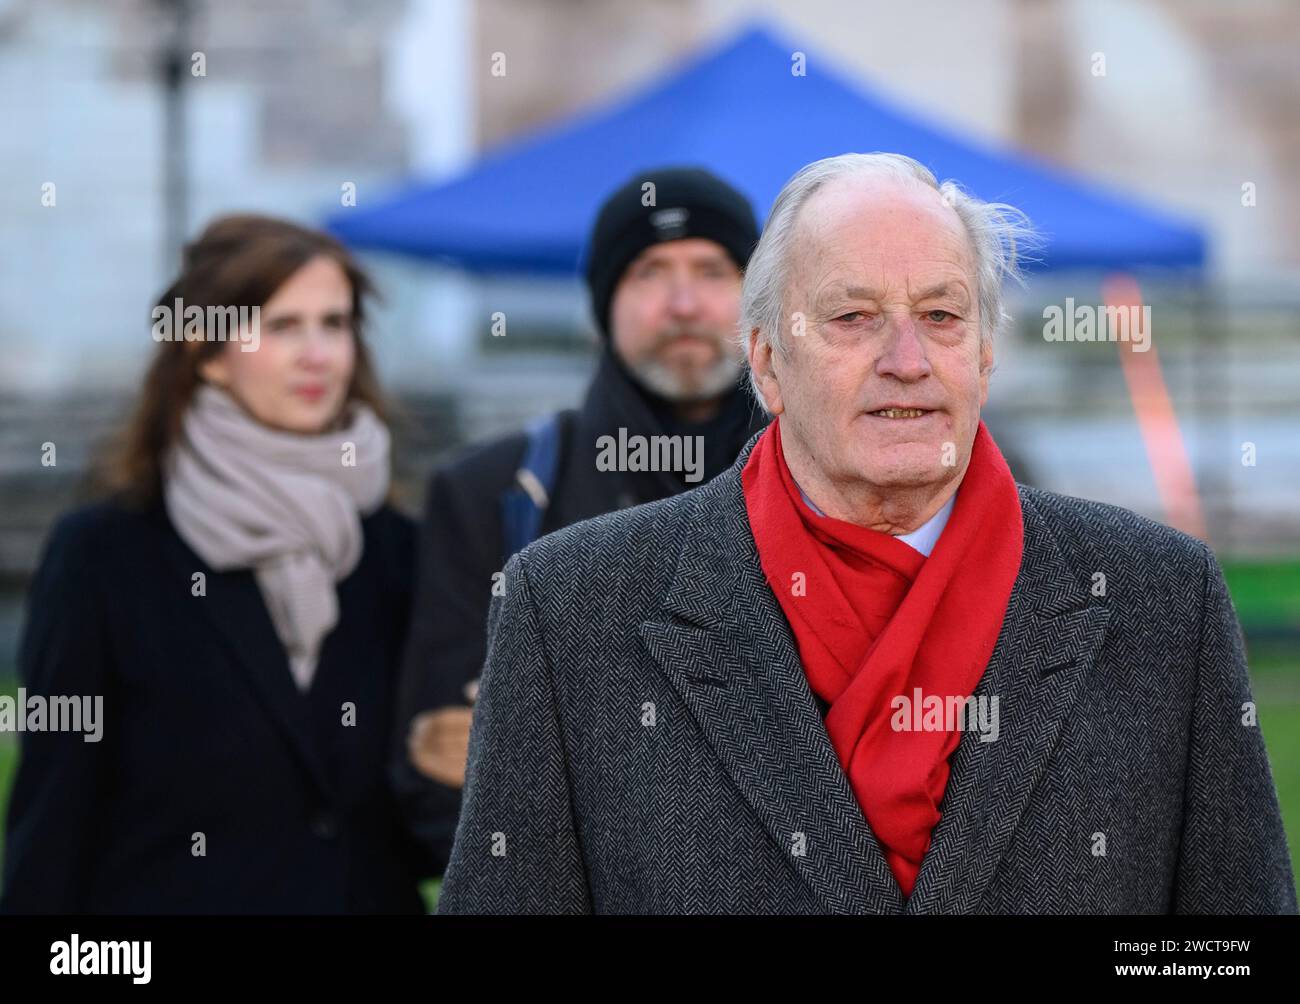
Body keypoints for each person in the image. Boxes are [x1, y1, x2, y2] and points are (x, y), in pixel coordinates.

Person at [437, 153, 1297, 914]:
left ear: (986, 354)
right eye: (852, 318)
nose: (907, 360)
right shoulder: (571, 608)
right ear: (768, 362)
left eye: (942, 316)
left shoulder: (1162, 599)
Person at [0, 215, 427, 914]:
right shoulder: (103, 556)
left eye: (334, 323)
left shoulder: (400, 552)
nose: (318, 355)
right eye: (282, 326)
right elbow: (53, 823)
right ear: (204, 350)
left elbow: (427, 828)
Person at [394, 167, 769, 869]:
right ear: (604, 304)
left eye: (714, 271)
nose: (684, 303)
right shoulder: (497, 494)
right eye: (650, 272)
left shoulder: (828, 483)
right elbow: (437, 781)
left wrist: (554, 748)